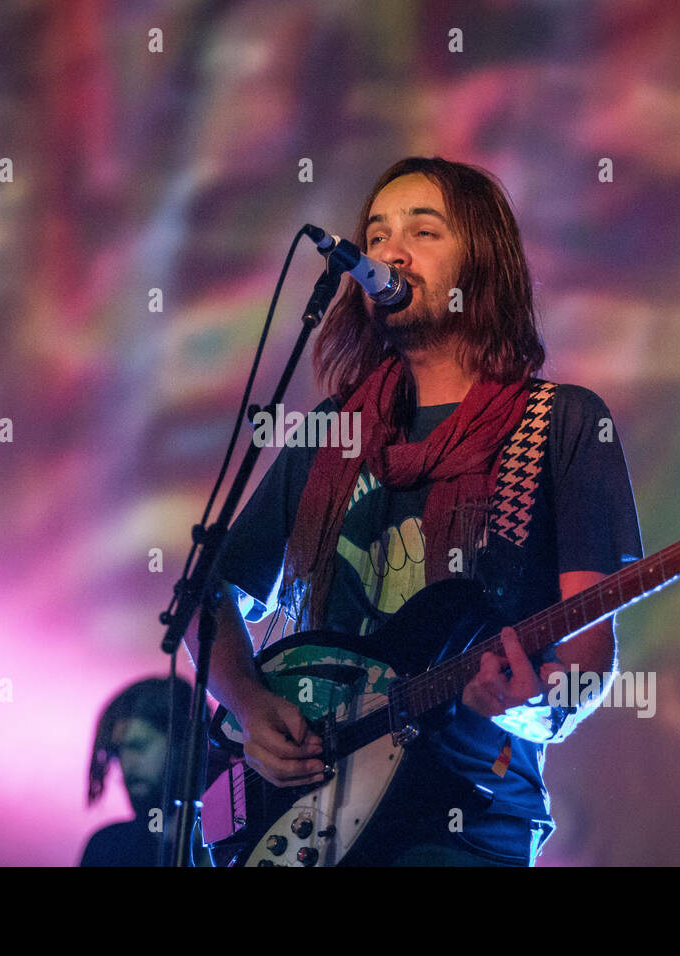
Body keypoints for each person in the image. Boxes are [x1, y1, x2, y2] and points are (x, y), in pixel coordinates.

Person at [197, 156, 643, 866]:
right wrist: (250, 707)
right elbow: (208, 593)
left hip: (465, 814)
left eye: (423, 231)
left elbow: (587, 651)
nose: (390, 253)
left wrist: (533, 706)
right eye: (376, 235)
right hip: (313, 814)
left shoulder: (560, 424)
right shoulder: (332, 431)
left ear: (482, 262)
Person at [81, 676, 194, 866]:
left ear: (182, 743)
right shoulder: (109, 848)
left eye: (139, 746)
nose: (127, 763)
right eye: (118, 752)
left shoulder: (225, 844)